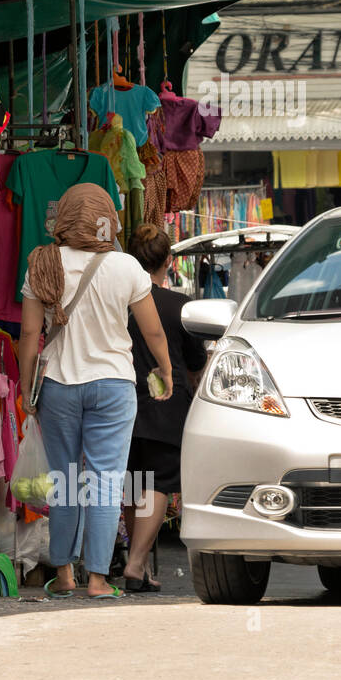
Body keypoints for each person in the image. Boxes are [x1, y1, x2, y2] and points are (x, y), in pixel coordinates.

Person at [19, 184, 172, 600]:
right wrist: (165, 368)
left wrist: (24, 386)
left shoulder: (44, 263)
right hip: (113, 385)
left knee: (66, 479)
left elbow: (30, 334)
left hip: (58, 387)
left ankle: (65, 575)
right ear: (108, 218)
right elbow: (152, 329)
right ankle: (100, 581)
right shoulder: (126, 267)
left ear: (64, 218)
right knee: (105, 482)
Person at [122, 225, 208, 591]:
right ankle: (136, 562)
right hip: (166, 406)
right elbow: (195, 364)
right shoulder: (180, 307)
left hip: (123, 402)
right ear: (168, 261)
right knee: (157, 482)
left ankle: (134, 561)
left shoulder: (120, 304)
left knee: (131, 481)